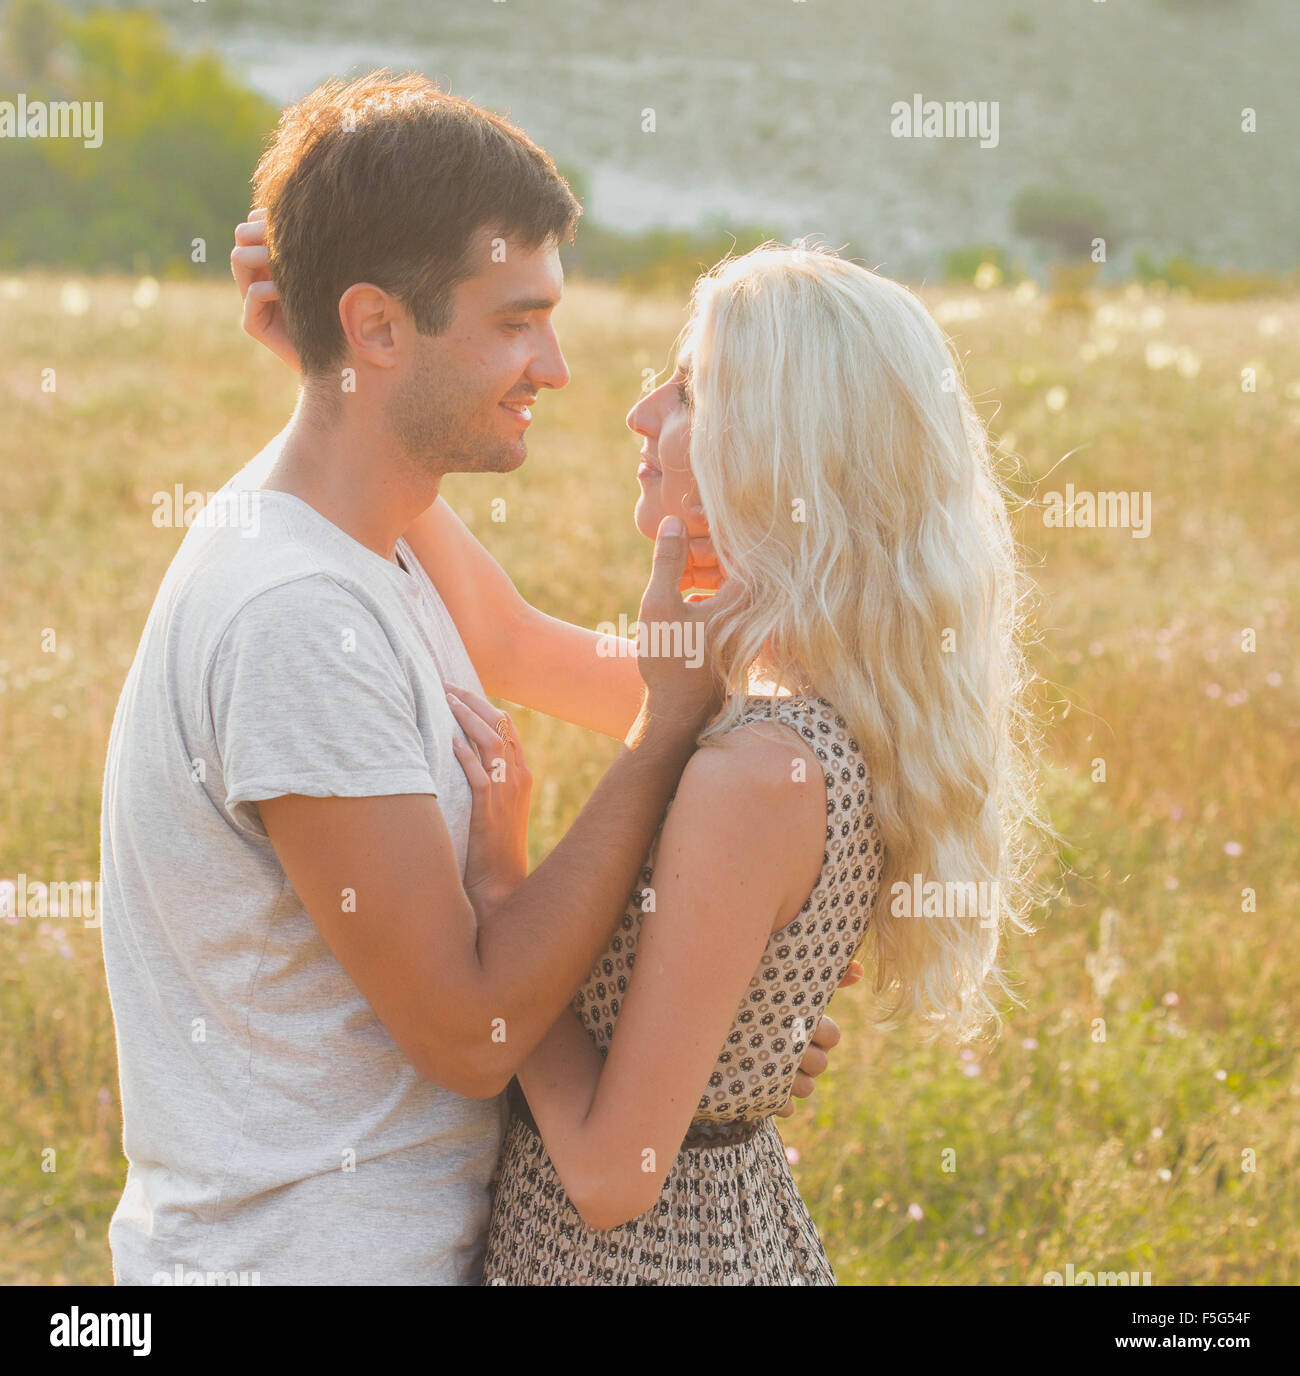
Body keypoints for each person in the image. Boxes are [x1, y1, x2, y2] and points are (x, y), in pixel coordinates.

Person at [100, 70, 840, 1289]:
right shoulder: (299, 618)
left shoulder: (371, 542)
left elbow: (510, 637)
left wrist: (724, 1019)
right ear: (383, 326)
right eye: (513, 320)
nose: (555, 366)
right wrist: (656, 741)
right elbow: (470, 1029)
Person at [235, 238, 1038, 1284]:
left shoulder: (751, 766)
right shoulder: (756, 706)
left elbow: (615, 1174)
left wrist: (501, 889)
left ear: (779, 448)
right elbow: (509, 640)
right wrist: (338, 379)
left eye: (690, 389)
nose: (639, 413)